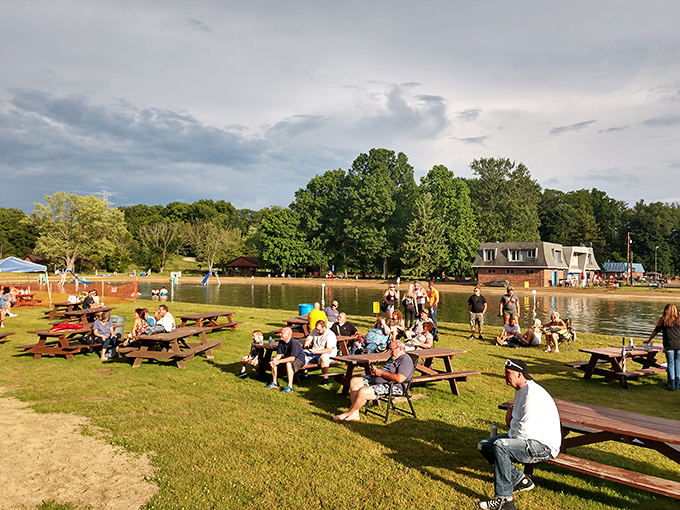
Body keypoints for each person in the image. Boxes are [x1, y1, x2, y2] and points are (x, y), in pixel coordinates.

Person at [477, 359, 561, 510]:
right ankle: (521, 480)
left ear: (519, 374)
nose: (504, 375)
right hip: (529, 438)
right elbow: (514, 424)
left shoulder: (531, 395)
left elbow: (524, 433)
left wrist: (506, 445)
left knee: (500, 446)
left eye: (508, 373)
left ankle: (506, 501)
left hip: (543, 445)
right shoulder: (521, 389)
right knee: (484, 445)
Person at [332, 340, 414, 422]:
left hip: (393, 386)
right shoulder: (393, 358)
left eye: (392, 349)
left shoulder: (405, 360)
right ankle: (355, 414)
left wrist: (381, 373)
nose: (390, 352)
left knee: (363, 391)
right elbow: (387, 369)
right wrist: (376, 370)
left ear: (400, 348)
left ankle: (347, 413)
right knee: (354, 381)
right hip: (379, 380)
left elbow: (400, 379)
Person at [645, 303, 680, 391]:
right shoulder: (679, 319)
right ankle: (677, 384)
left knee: (671, 364)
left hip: (669, 345)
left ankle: (671, 385)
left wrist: (649, 340)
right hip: (679, 344)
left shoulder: (663, 320)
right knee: (678, 364)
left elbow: (655, 331)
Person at [265, 327, 306, 393]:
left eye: (282, 333)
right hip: (288, 357)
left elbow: (292, 358)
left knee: (288, 364)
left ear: (288, 335)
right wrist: (275, 360)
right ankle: (275, 382)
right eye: (281, 333)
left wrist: (279, 361)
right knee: (274, 362)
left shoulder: (294, 343)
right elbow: (279, 354)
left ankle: (290, 386)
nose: (280, 335)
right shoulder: (281, 342)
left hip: (298, 359)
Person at [303, 320, 338, 386]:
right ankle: (304, 373)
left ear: (324, 328)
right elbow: (308, 338)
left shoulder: (330, 335)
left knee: (323, 357)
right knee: (301, 354)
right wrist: (306, 344)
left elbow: (329, 350)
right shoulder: (315, 330)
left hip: (328, 354)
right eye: (316, 329)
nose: (317, 331)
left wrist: (316, 352)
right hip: (314, 352)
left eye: (319, 330)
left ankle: (325, 378)